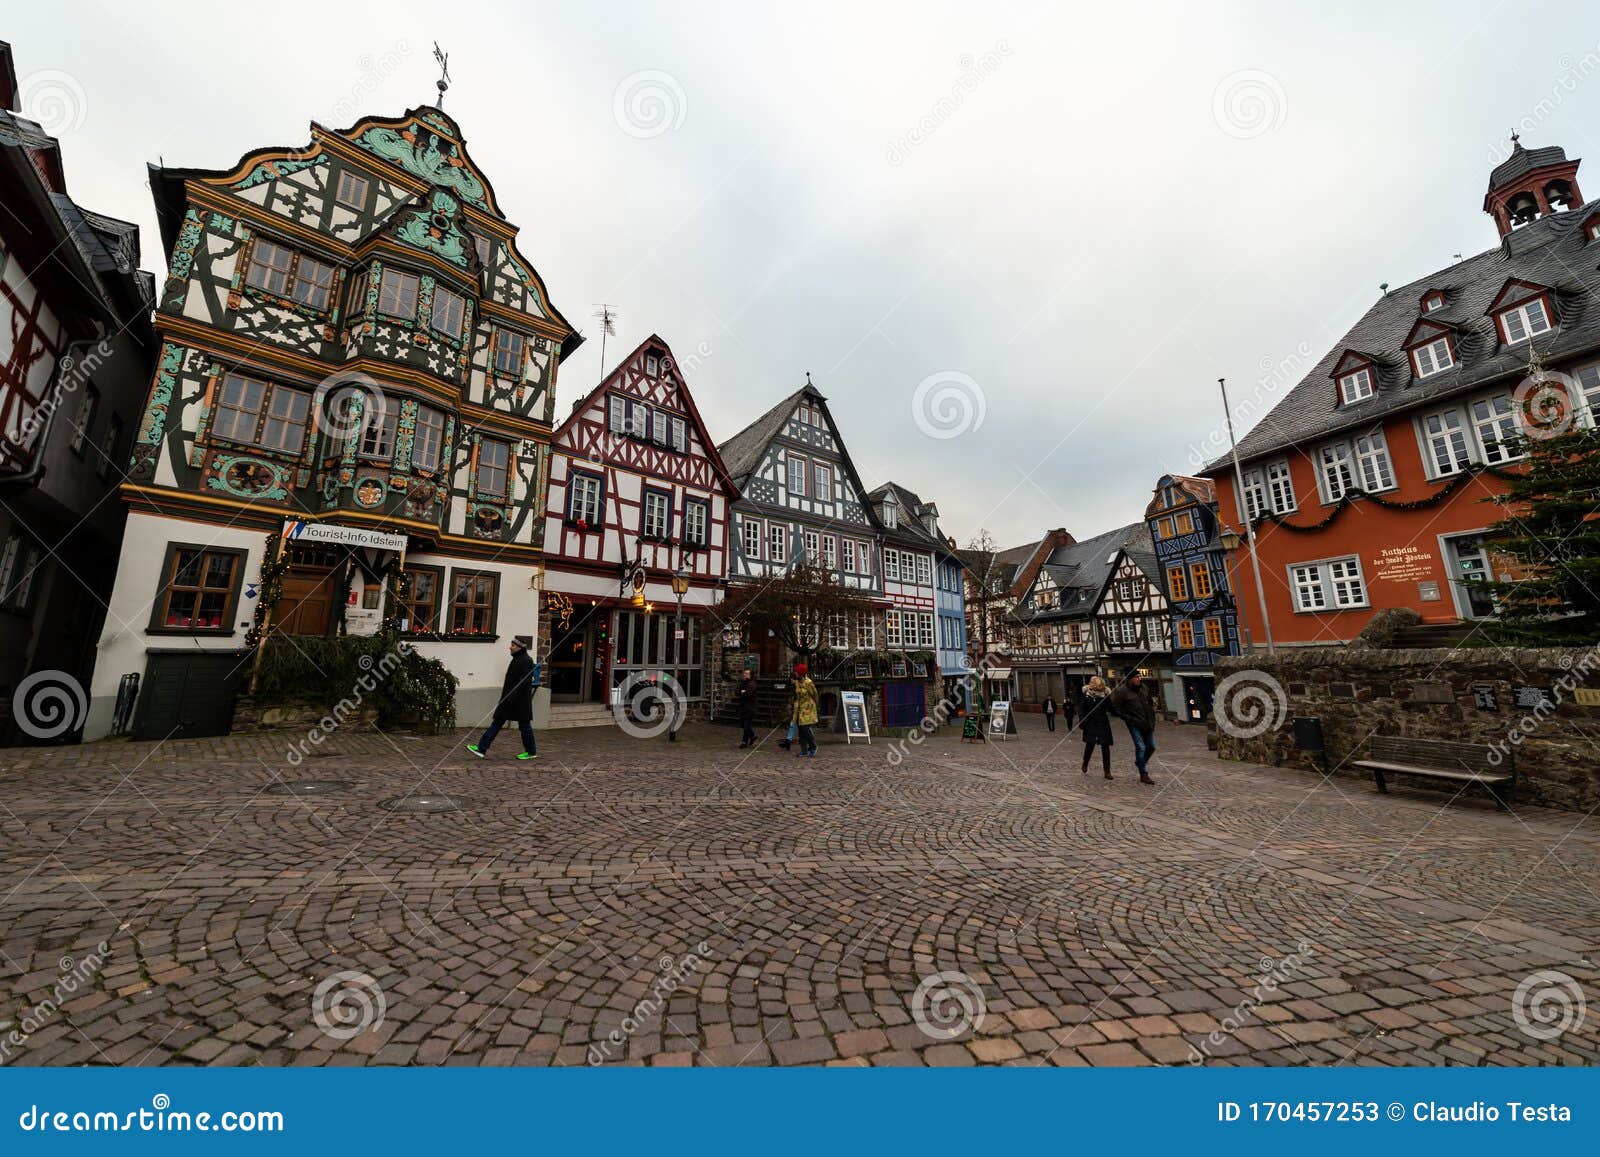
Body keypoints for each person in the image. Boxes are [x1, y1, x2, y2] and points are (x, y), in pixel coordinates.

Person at [467, 635, 537, 760]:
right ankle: (481, 748)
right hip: (509, 699)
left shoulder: (526, 660)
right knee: (498, 722)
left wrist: (511, 697)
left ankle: (531, 752)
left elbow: (524, 682)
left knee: (524, 725)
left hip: (518, 701)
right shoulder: (517, 659)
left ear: (520, 647)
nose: (510, 647)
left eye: (513, 645)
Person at [1110, 671, 1158, 785]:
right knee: (1140, 747)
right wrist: (1129, 719)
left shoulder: (1144, 688)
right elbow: (1116, 708)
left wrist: (1152, 714)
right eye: (1136, 677)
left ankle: (1140, 762)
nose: (1139, 679)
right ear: (1130, 678)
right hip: (1134, 723)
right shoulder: (1121, 691)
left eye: (1139, 677)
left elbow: (1150, 702)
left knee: (1151, 747)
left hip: (1148, 722)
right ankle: (1143, 774)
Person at [1076, 675, 1115, 778]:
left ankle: (1107, 771)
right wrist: (1082, 720)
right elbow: (1081, 710)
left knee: (1105, 747)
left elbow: (1111, 709)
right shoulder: (1086, 696)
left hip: (1103, 723)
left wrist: (1121, 712)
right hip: (1090, 723)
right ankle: (1085, 762)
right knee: (1090, 745)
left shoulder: (1105, 696)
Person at [790, 662, 819, 757]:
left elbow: (815, 695)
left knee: (806, 728)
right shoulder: (797, 682)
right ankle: (803, 750)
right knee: (801, 730)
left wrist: (814, 706)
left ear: (801, 673)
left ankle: (813, 746)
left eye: (797, 672)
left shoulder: (809, 683)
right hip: (799, 709)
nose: (795, 673)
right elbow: (797, 696)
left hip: (808, 709)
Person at [735, 669, 757, 748]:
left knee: (746, 725)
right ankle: (752, 736)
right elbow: (737, 692)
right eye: (744, 673)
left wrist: (743, 692)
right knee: (742, 724)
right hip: (743, 707)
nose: (744, 675)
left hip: (750, 707)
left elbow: (748, 694)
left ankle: (744, 742)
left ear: (750, 675)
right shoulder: (743, 683)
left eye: (747, 673)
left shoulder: (752, 684)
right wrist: (742, 692)